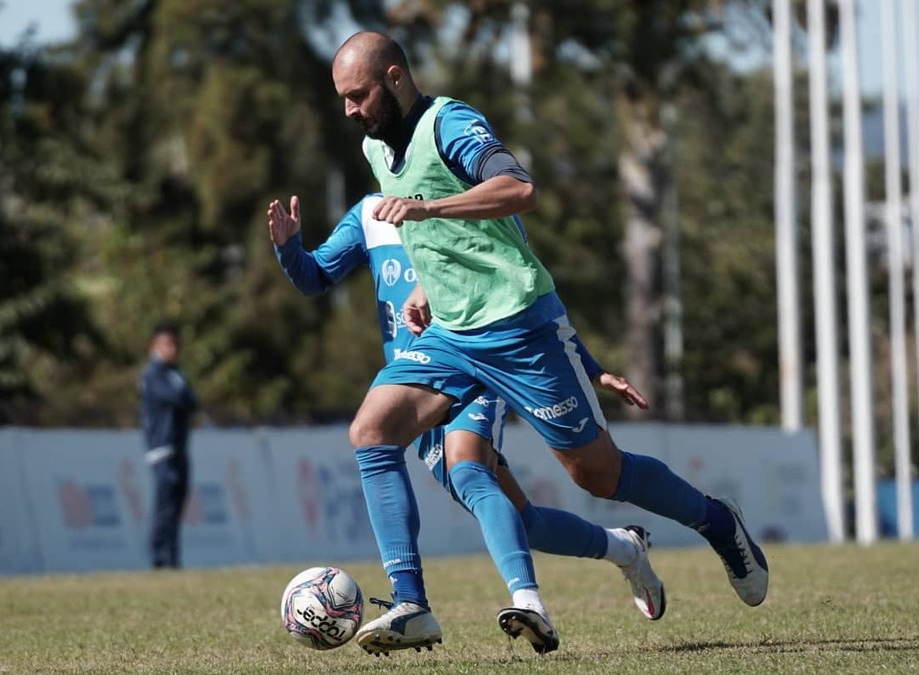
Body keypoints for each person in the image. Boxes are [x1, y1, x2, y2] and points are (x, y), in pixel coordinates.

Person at [326, 31, 769, 654]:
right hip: (452, 334)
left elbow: (519, 189)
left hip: (520, 325)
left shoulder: (450, 123)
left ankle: (718, 521)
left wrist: (428, 211)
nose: (350, 110)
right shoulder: (376, 146)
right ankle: (412, 604)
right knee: (372, 432)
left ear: (395, 77)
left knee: (599, 475)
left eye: (358, 95)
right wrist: (427, 283)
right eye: (343, 99)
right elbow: (432, 242)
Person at [268, 192, 667, 653]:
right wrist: (289, 249)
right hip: (411, 387)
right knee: (525, 522)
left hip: (479, 365)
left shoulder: (460, 201)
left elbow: (528, 288)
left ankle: (514, 601)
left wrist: (590, 366)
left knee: (470, 470)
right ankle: (625, 548)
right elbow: (314, 277)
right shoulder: (370, 214)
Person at [138, 321, 198, 569]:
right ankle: (159, 558)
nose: (172, 349)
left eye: (175, 344)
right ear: (155, 346)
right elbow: (177, 398)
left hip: (180, 447)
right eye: (167, 343)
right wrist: (182, 395)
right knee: (164, 506)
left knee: (176, 506)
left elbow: (192, 401)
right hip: (162, 448)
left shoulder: (176, 373)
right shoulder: (153, 374)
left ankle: (173, 559)